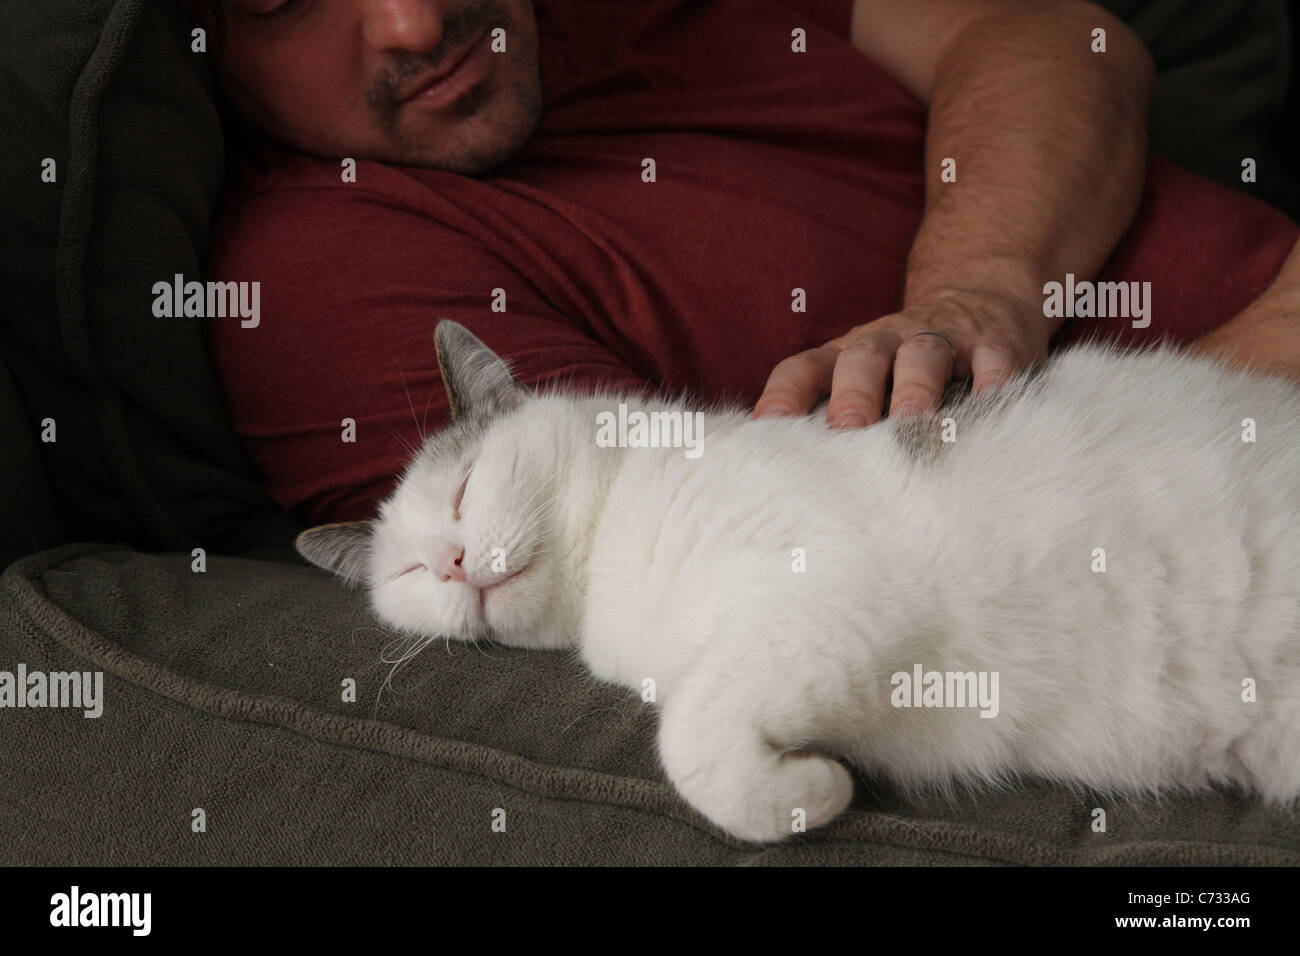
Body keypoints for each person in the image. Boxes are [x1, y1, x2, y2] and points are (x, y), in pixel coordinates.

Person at [198, 0, 1300, 526]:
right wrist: (1250, 371)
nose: (413, 18)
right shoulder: (320, 273)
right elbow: (715, 583)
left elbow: (1050, 33)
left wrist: (979, 284)